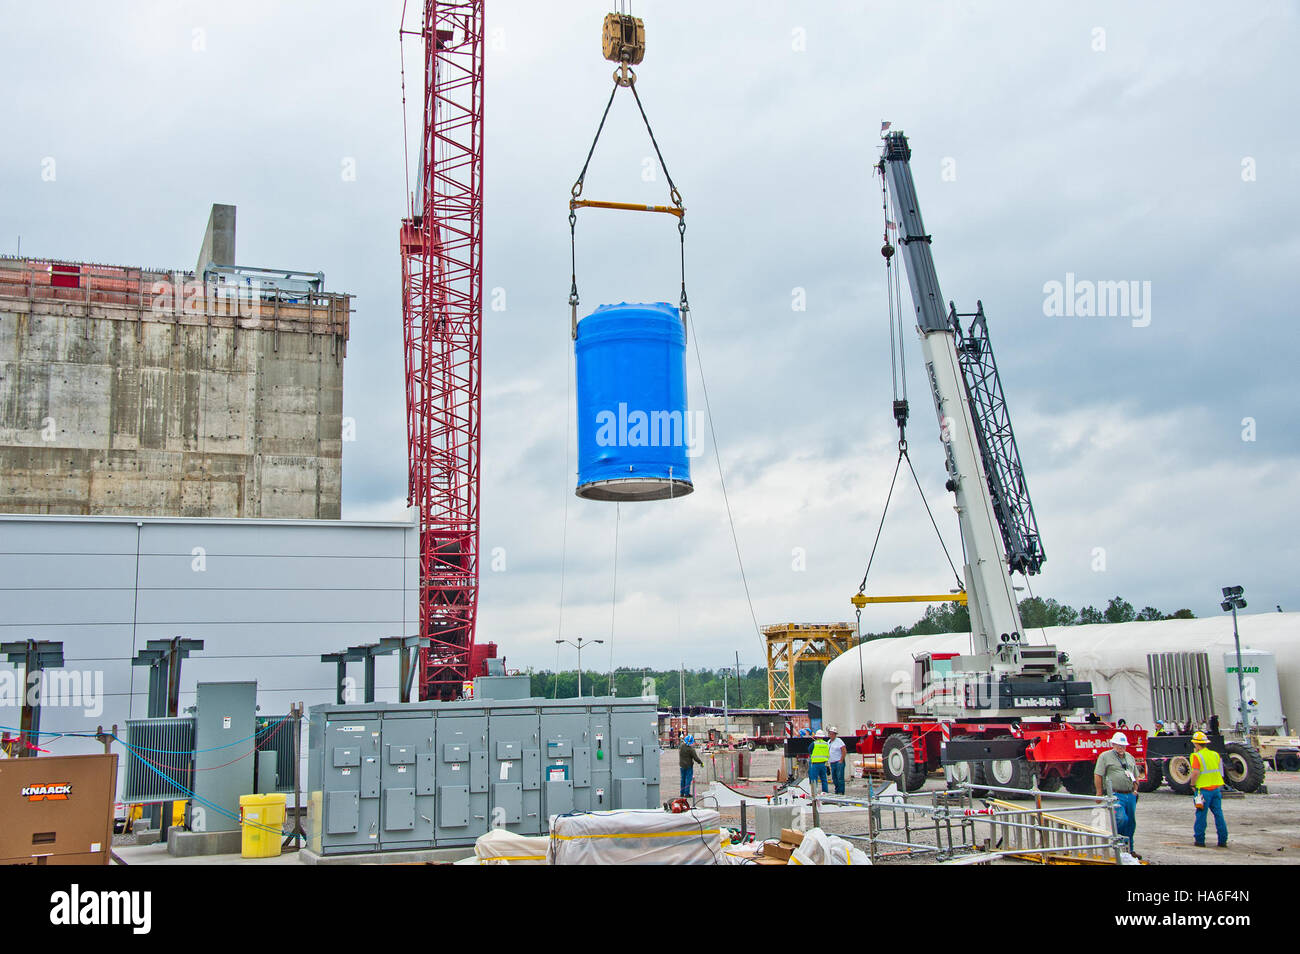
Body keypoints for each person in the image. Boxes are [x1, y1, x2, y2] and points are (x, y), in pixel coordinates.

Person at [1094, 731, 1139, 854]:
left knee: (1131, 822)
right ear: (1113, 744)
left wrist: (1135, 789)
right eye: (1119, 745)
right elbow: (1098, 774)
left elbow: (1135, 774)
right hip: (1116, 794)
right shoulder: (1105, 757)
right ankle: (1119, 844)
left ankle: (1129, 848)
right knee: (1121, 818)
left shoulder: (1129, 757)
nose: (1121, 748)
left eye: (1123, 746)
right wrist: (1099, 793)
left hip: (1130, 794)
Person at [1189, 731, 1228, 848]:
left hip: (1203, 790)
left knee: (1201, 814)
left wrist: (1192, 784)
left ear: (1196, 744)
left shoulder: (1196, 756)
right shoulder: (1215, 754)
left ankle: (1200, 840)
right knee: (1218, 814)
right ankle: (1223, 840)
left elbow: (1195, 772)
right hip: (1216, 789)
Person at [679, 733, 702, 798]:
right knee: (688, 780)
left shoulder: (681, 746)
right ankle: (687, 793)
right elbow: (695, 758)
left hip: (682, 765)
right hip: (688, 766)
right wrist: (700, 762)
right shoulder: (691, 749)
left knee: (682, 779)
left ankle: (682, 793)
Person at [826, 726, 847, 795]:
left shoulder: (839, 741)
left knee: (840, 778)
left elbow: (844, 750)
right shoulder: (828, 742)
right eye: (830, 734)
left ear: (835, 734)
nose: (831, 735)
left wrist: (841, 760)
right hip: (832, 762)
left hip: (838, 762)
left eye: (833, 734)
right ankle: (837, 790)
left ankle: (841, 792)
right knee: (834, 778)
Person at [809, 729, 830, 793]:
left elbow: (809, 750)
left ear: (816, 736)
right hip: (823, 764)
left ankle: (814, 792)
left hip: (815, 764)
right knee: (824, 779)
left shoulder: (814, 743)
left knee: (814, 779)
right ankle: (825, 793)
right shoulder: (826, 744)